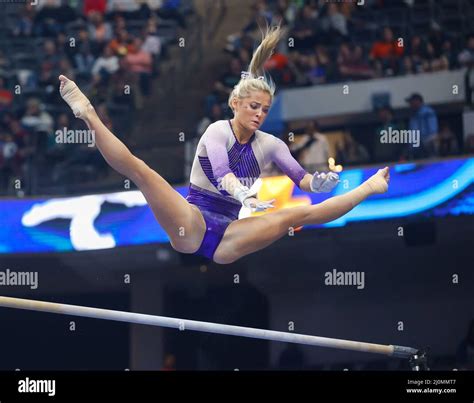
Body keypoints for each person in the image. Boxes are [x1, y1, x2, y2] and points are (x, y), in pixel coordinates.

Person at [58, 25, 390, 265]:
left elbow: (302, 180)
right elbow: (220, 174)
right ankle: (89, 114)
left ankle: (371, 187)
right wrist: (246, 194)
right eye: (253, 107)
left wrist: (318, 181)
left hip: (230, 235)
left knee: (298, 214)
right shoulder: (217, 132)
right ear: (235, 104)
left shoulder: (271, 144)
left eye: (264, 109)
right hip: (193, 222)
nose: (259, 114)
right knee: (142, 172)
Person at [405, 93, 438, 159]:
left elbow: (433, 131)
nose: (410, 104)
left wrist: (428, 142)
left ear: (417, 101)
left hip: (426, 145)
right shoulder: (413, 114)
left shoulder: (427, 112)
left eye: (411, 102)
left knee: (430, 165)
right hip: (416, 149)